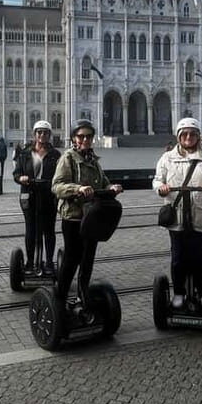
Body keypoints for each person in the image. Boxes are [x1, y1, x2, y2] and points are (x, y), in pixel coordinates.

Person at [52, 120, 123, 311]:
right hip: (73, 217)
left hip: (92, 218)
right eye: (81, 136)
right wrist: (78, 189)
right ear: (74, 138)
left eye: (88, 136)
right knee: (71, 258)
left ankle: (83, 296)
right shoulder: (67, 158)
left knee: (87, 259)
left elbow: (103, 182)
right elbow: (57, 186)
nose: (85, 139)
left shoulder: (93, 159)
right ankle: (60, 298)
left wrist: (111, 187)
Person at [153, 118, 202, 310]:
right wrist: (162, 188)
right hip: (177, 216)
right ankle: (179, 292)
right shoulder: (167, 158)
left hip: (200, 213)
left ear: (198, 137)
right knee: (178, 257)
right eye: (184, 134)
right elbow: (157, 180)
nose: (188, 137)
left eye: (192, 134)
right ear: (178, 137)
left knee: (200, 256)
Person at [14, 121, 62, 274]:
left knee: (49, 229)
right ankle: (29, 262)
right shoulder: (25, 153)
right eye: (39, 132)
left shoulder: (55, 155)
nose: (42, 135)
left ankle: (48, 262)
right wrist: (21, 178)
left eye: (45, 133)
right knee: (31, 229)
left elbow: (61, 175)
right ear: (34, 134)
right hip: (30, 195)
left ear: (49, 135)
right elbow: (16, 173)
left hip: (49, 196)